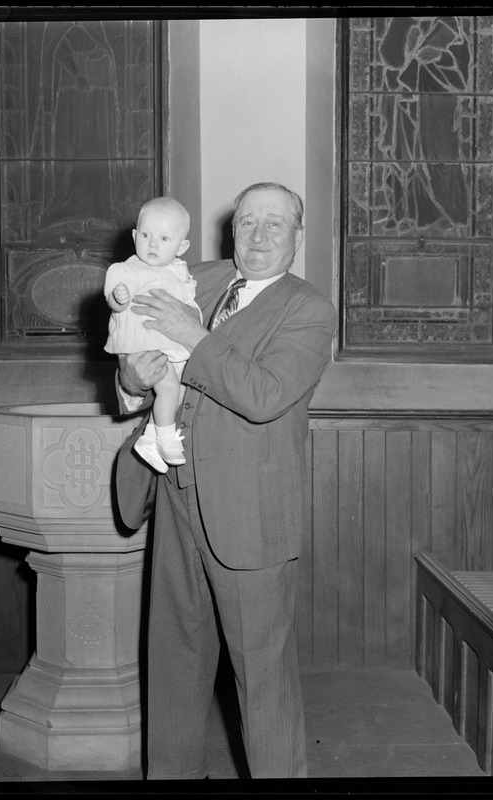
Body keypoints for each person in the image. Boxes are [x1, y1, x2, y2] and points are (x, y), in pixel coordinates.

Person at [112, 182, 337, 779]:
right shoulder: (194, 280)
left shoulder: (308, 310)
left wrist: (194, 337)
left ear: (296, 235)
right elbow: (131, 356)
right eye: (247, 223)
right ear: (229, 230)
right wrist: (133, 380)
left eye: (274, 225)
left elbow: (263, 397)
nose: (258, 236)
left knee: (261, 679)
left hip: (249, 511)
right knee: (174, 666)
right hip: (175, 495)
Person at [104, 197, 200, 472]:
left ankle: (150, 438)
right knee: (169, 388)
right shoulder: (131, 268)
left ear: (181, 247)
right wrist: (119, 298)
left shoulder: (177, 270)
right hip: (147, 343)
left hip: (168, 344)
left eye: (164, 238)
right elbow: (116, 299)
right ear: (135, 236)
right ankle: (167, 438)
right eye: (145, 235)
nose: (153, 244)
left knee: (180, 388)